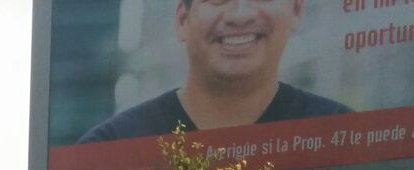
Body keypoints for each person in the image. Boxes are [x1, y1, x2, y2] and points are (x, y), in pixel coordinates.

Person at [80, 0, 349, 143]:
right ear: (183, 20)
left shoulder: (340, 133)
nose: (240, 15)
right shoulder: (110, 147)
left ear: (297, 10)